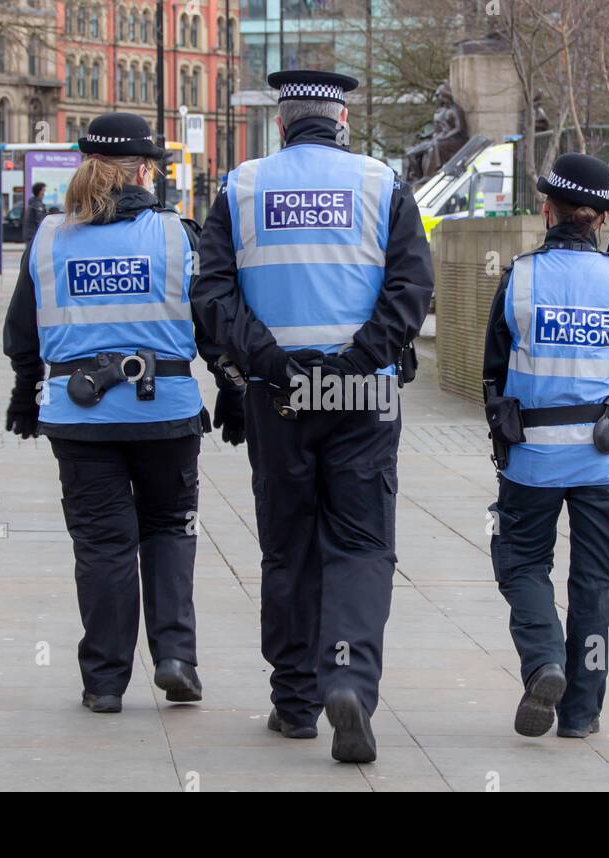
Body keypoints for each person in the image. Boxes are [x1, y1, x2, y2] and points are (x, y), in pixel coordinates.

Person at [191, 69, 433, 763]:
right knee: (359, 545)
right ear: (342, 122)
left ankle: (295, 702)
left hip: (282, 394)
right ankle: (350, 677)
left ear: (281, 124)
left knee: (289, 543)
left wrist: (274, 364)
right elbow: (412, 286)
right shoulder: (381, 185)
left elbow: (211, 295)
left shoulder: (240, 187)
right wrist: (358, 363)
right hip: (364, 394)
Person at [3, 112, 231, 714]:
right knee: (169, 531)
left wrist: (25, 395)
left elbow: (22, 332)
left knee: (102, 545)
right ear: (146, 170)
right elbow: (214, 324)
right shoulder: (177, 235)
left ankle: (104, 682)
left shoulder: (49, 237)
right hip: (167, 415)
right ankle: (176, 658)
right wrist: (233, 387)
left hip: (79, 420)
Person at [482, 152, 609, 740]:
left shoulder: (520, 275)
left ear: (547, 211)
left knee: (523, 563)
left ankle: (544, 661)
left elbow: (492, 374)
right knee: (599, 584)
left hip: (532, 458)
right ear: (600, 218)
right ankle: (581, 714)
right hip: (607, 459)